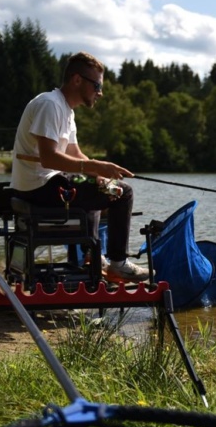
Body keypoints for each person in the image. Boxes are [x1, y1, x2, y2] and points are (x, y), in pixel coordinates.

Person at [10, 51, 147, 283]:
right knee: (124, 194)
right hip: (36, 187)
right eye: (96, 85)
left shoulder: (67, 111)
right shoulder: (49, 105)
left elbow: (75, 154)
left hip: (46, 183)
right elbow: (49, 158)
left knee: (101, 188)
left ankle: (93, 257)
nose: (100, 93)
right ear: (76, 80)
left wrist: (98, 174)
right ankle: (117, 264)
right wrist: (95, 166)